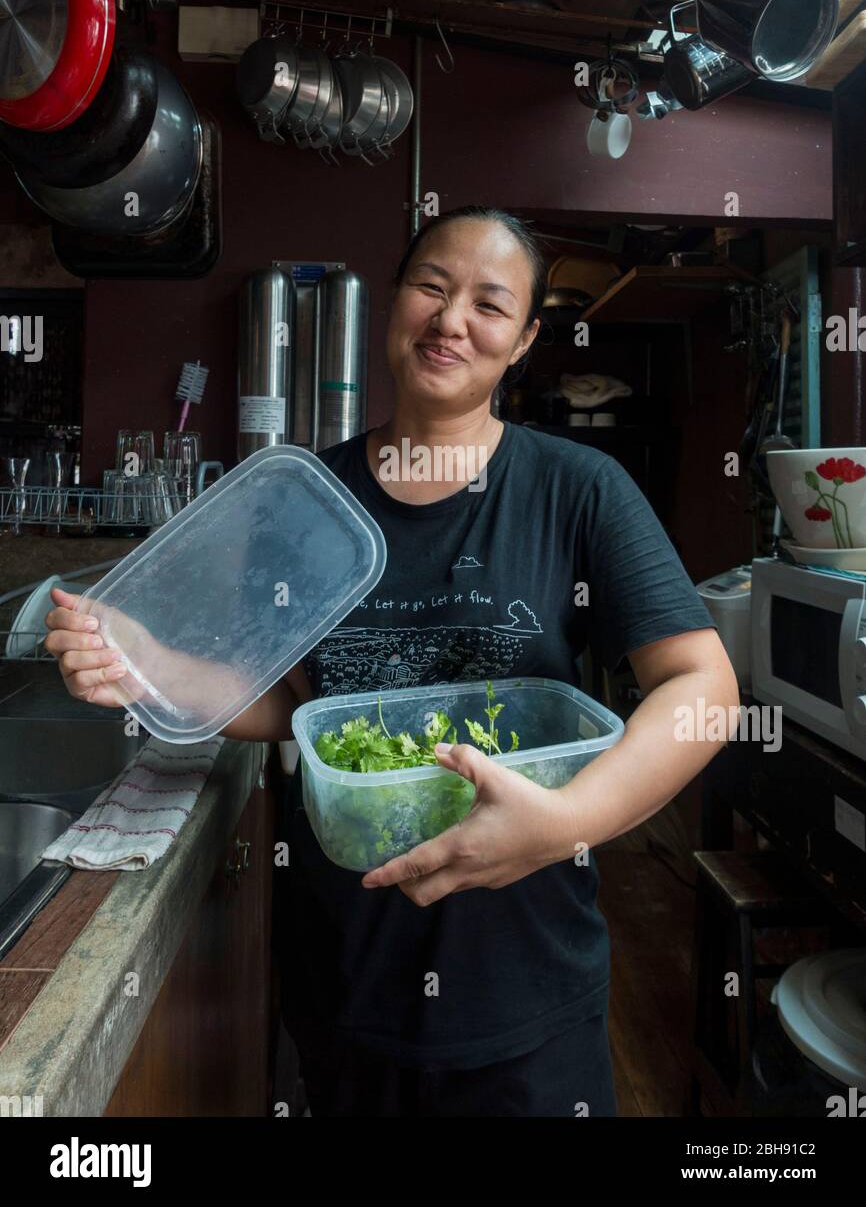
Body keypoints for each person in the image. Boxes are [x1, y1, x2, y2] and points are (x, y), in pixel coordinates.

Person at [45, 206, 739, 1119]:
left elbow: (704, 689)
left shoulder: (579, 489)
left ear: (526, 340)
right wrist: (143, 661)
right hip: (347, 978)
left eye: (490, 305)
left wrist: (563, 821)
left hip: (524, 986)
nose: (452, 320)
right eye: (431, 287)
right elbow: (286, 698)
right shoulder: (308, 500)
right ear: (393, 305)